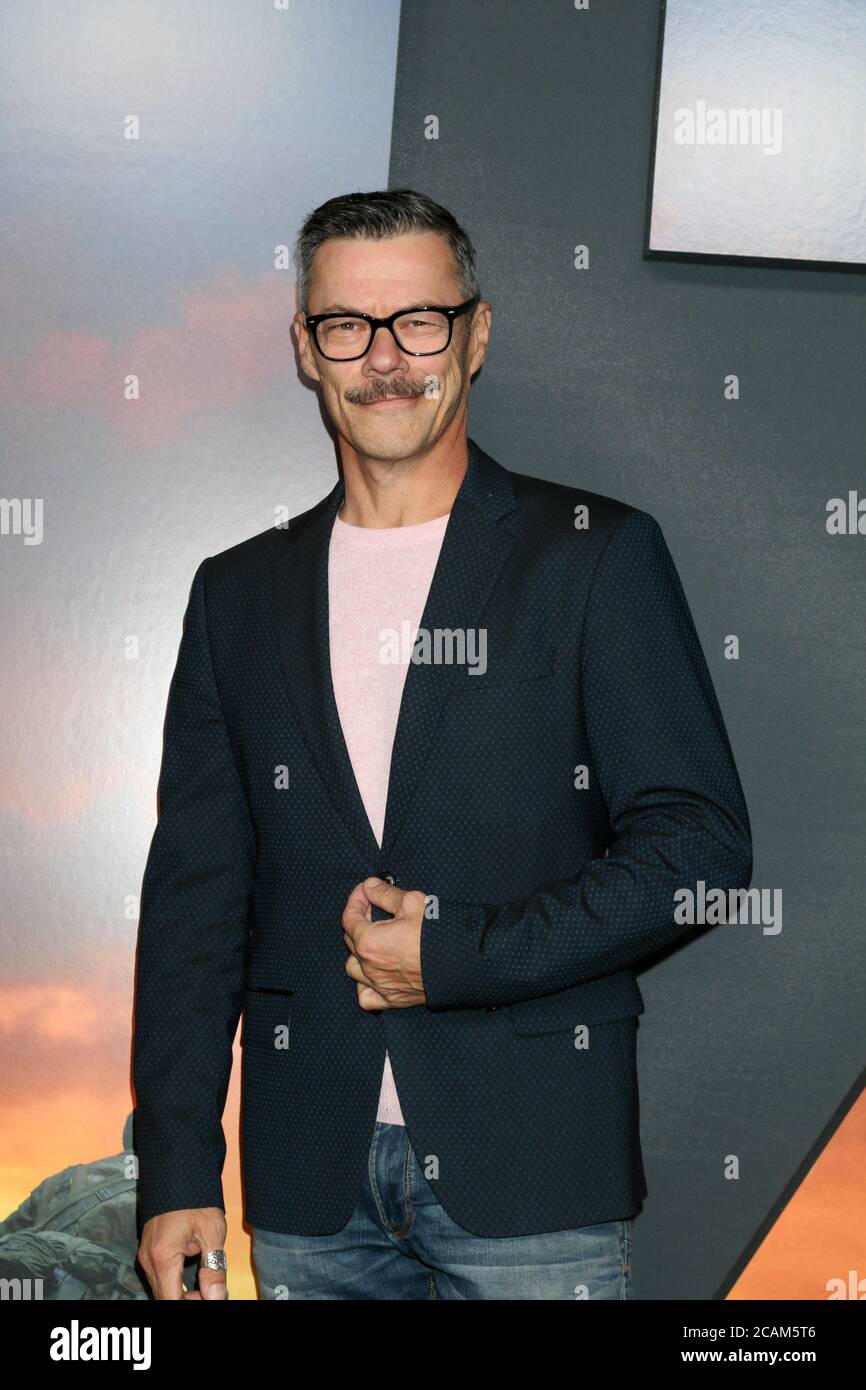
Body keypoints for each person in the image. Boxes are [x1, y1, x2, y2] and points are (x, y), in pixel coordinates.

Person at [133, 188, 752, 1300]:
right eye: (345, 327)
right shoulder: (235, 596)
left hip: (533, 1182)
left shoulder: (592, 556)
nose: (383, 358)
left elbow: (697, 851)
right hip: (308, 1193)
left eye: (418, 321)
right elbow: (195, 905)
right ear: (304, 351)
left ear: (474, 334)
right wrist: (177, 1168)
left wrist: (459, 954)